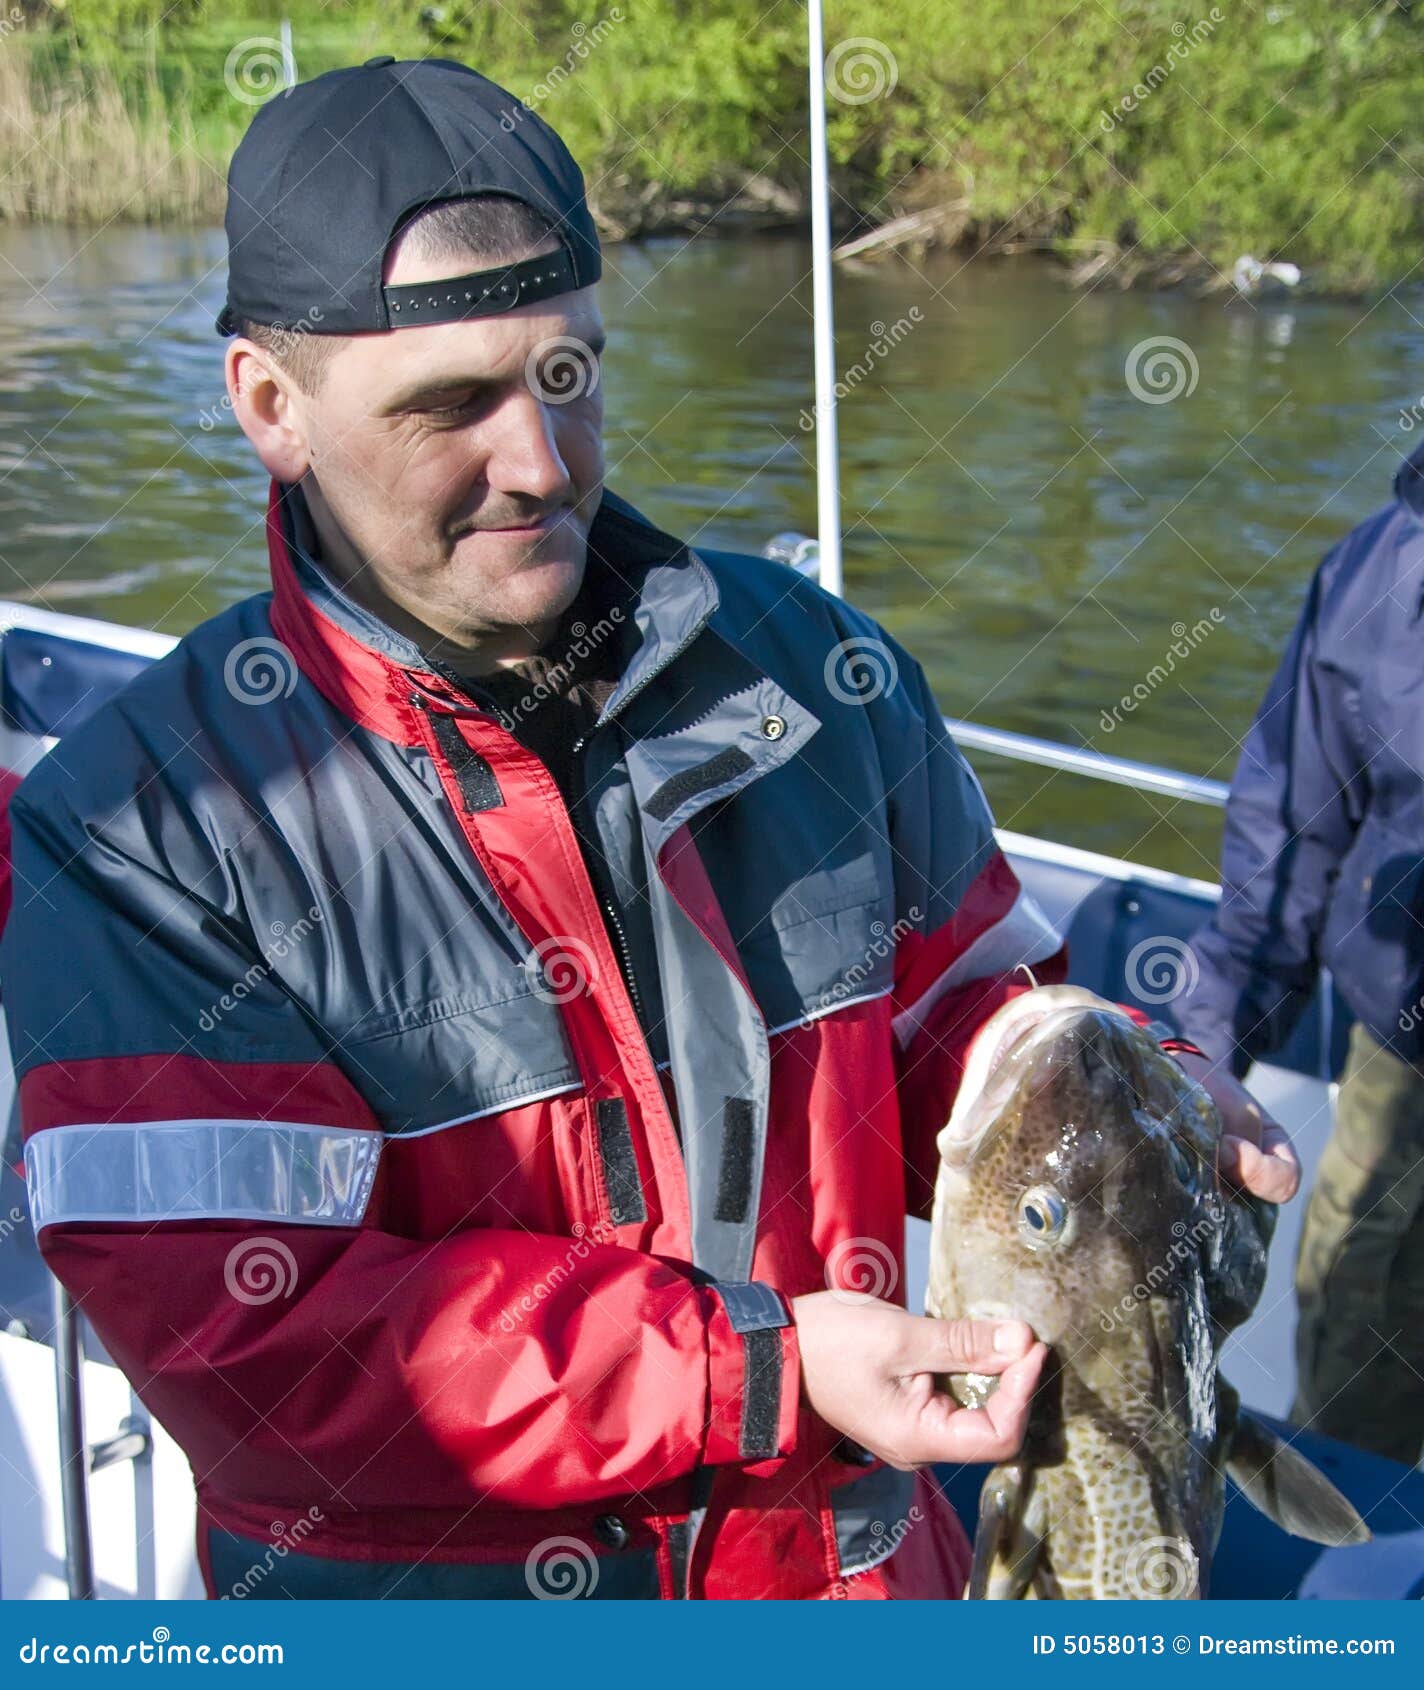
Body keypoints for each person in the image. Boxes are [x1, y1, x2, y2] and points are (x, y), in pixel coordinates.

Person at [0, 57, 1294, 1600]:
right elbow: (259, 1348)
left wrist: (1131, 1092)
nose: (540, 463)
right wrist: (755, 1373)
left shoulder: (822, 671)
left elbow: (973, 1018)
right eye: (450, 406)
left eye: (565, 375)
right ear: (269, 406)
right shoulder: (139, 830)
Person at [1180, 440, 1424, 1467]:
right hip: (1398, 1053)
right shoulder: (1378, 571)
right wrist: (1196, 1059)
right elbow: (1286, 830)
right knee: (1357, 1318)